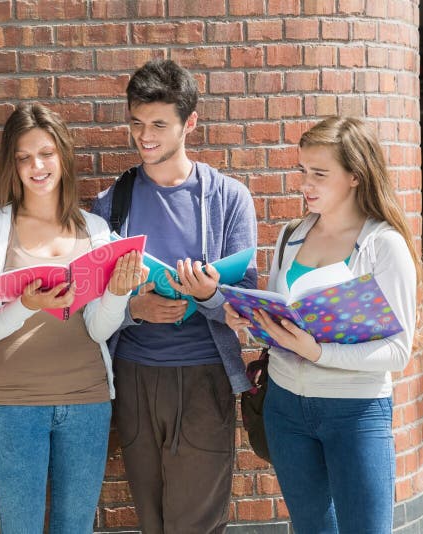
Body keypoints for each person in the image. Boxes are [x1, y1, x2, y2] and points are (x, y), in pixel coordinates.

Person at [224, 116, 419, 532]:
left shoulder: (384, 245)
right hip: (285, 408)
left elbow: (399, 352)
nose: (305, 184)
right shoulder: (292, 234)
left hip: (356, 412)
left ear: (354, 176)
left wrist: (317, 352)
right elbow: (281, 314)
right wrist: (250, 318)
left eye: (319, 174)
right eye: (302, 171)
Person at [91, 59, 258, 533]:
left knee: (196, 524)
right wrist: (133, 310)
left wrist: (208, 295)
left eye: (159, 125)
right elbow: (94, 300)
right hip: (135, 378)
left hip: (204, 378)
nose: (144, 136)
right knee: (153, 519)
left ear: (190, 123)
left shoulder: (228, 198)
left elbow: (247, 306)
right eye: (137, 123)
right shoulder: (110, 204)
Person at [0, 103, 144, 534]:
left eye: (45, 153)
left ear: (62, 155)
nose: (37, 166)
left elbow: (99, 329)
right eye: (24, 157)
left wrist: (118, 294)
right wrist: (28, 305)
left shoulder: (96, 231)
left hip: (86, 402)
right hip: (12, 405)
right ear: (12, 165)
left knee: (75, 527)